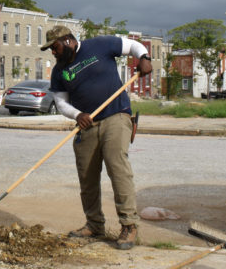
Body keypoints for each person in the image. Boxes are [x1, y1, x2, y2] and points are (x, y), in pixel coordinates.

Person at [40, 25, 152, 250]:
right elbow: (61, 102)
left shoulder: (100, 45)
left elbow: (133, 45)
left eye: (55, 47)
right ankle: (94, 224)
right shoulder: (59, 71)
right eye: (51, 49)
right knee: (87, 177)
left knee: (117, 166)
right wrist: (77, 115)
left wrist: (144, 58)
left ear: (68, 41)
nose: (53, 52)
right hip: (87, 124)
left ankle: (129, 225)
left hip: (116, 115)